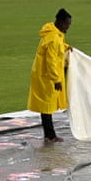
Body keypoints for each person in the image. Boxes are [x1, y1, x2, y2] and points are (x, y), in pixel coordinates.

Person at [28, 8, 72, 143]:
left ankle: (49, 134)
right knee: (46, 106)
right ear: (60, 22)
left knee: (46, 105)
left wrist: (66, 46)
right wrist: (56, 79)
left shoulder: (55, 34)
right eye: (67, 24)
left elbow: (57, 47)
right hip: (47, 76)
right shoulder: (53, 38)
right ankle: (50, 136)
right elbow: (51, 61)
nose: (68, 27)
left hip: (45, 74)